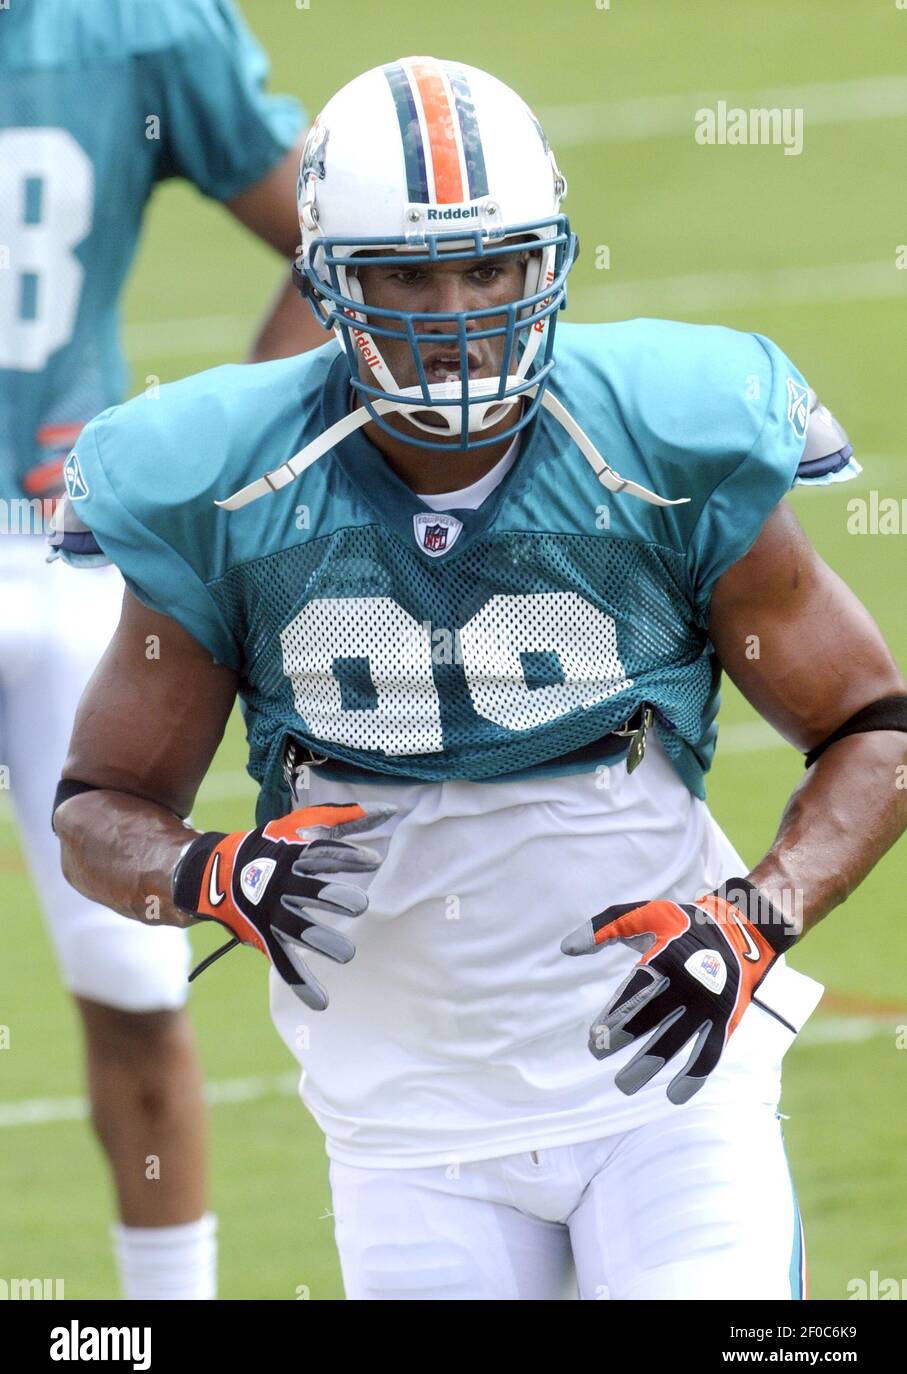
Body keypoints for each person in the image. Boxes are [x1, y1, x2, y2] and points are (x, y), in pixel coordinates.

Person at [52, 56, 907, 1300]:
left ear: (545, 262)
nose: (453, 311)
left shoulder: (661, 437)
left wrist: (756, 917)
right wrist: (210, 871)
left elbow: (872, 723)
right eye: (407, 273)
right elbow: (98, 804)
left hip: (668, 1093)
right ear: (332, 284)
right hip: (406, 1123)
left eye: (488, 266)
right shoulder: (225, 486)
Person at [0, 0, 327, 1300]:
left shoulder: (132, 22)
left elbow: (342, 238)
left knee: (137, 982)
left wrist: (225, 457)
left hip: (69, 546)